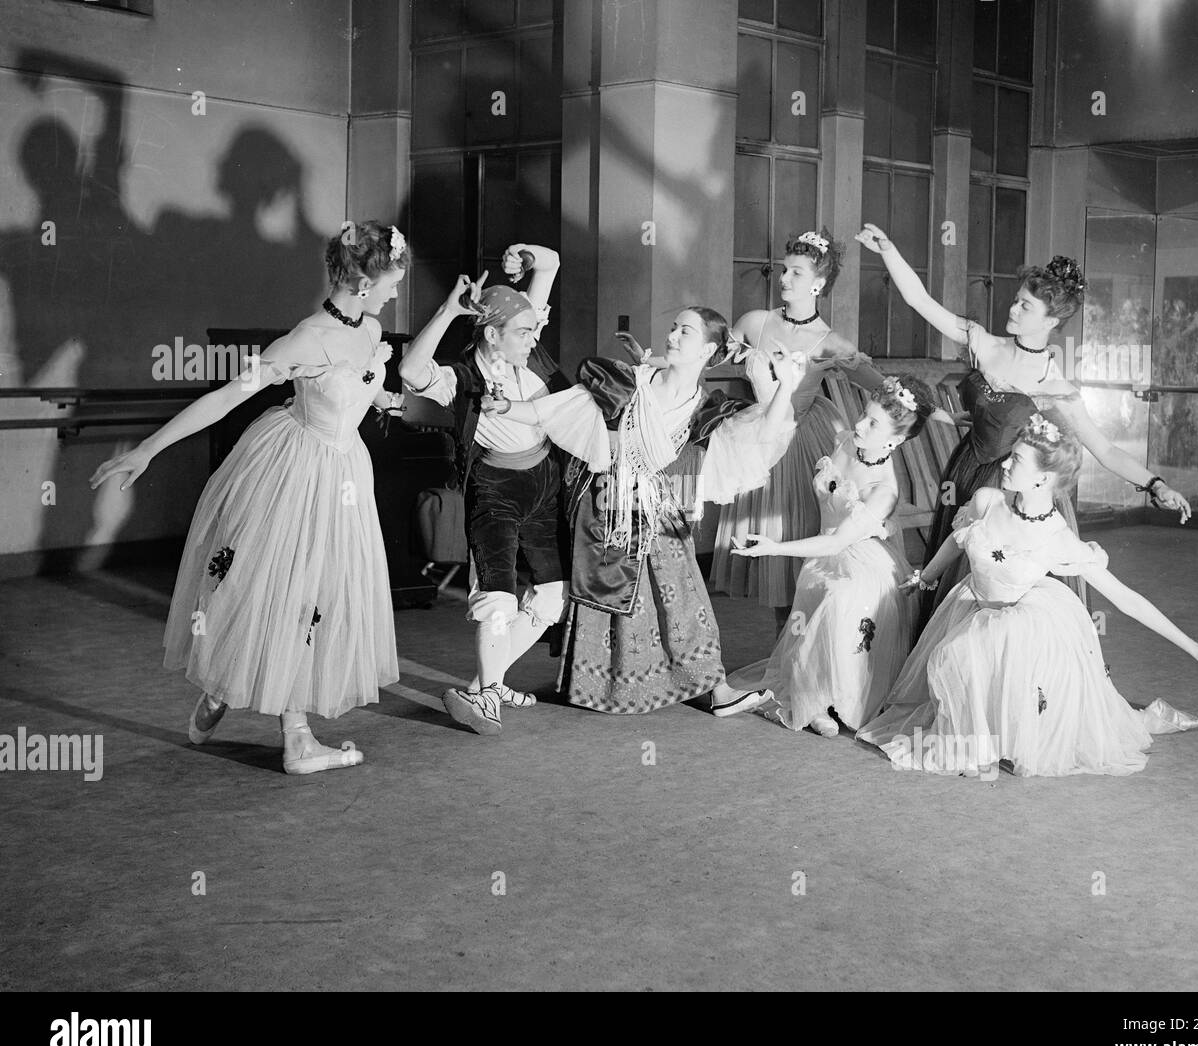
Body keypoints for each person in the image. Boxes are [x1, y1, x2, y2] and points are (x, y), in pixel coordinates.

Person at [89, 220, 411, 774]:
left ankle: (288, 729)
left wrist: (383, 398)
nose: (396, 291)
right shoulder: (307, 338)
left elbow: (359, 379)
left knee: (322, 597)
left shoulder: (370, 326)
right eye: (393, 281)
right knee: (274, 589)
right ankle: (238, 695)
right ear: (363, 282)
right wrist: (148, 448)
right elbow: (224, 397)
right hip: (295, 473)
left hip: (346, 478)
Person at [857, 415, 1198, 778]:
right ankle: (981, 737)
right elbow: (958, 542)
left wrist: (1193, 647)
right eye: (1011, 456)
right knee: (959, 656)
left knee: (956, 654)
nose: (1005, 464)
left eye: (1017, 461)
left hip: (1025, 621)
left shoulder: (1058, 539)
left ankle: (985, 743)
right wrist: (924, 578)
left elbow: (1126, 598)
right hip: (973, 605)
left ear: (1043, 479)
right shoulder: (987, 500)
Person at [854, 223, 1193, 631]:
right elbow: (920, 301)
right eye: (1016, 301)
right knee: (948, 582)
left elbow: (1105, 450)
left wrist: (1157, 485)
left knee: (993, 600)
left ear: (1051, 321)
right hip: (963, 475)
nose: (1013, 310)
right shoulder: (983, 343)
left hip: (1012, 488)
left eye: (1025, 307)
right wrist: (888, 249)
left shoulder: (1055, 387)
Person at [487, 307, 799, 715]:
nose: (672, 336)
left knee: (684, 597)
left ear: (707, 349)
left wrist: (787, 388)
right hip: (607, 507)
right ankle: (598, 687)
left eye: (684, 331)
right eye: (673, 328)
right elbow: (557, 410)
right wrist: (507, 407)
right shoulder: (625, 383)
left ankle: (716, 689)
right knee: (608, 591)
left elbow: (761, 435)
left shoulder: (705, 409)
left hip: (660, 509)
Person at [397, 244, 567, 735]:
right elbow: (410, 372)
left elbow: (550, 263)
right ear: (493, 334)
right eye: (524, 330)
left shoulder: (528, 354)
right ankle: (488, 695)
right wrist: (450, 310)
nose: (535, 338)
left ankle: (481, 686)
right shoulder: (463, 377)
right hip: (494, 489)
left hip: (543, 484)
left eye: (534, 328)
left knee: (552, 598)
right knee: (498, 597)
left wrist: (522, 255)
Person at [728, 376, 936, 738]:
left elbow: (836, 542)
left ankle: (832, 698)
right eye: (863, 414)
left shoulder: (882, 490)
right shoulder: (845, 441)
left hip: (860, 563)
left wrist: (774, 548)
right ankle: (815, 696)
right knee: (822, 593)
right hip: (823, 553)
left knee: (841, 597)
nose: (858, 424)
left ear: (896, 439)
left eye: (873, 423)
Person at [711, 229, 887, 629]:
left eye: (796, 273)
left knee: (808, 545)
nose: (784, 280)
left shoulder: (830, 343)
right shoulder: (756, 322)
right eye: (784, 270)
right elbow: (709, 360)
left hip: (806, 443)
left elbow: (884, 388)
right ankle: (783, 653)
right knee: (774, 552)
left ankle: (806, 650)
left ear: (819, 284)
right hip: (758, 441)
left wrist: (935, 413)